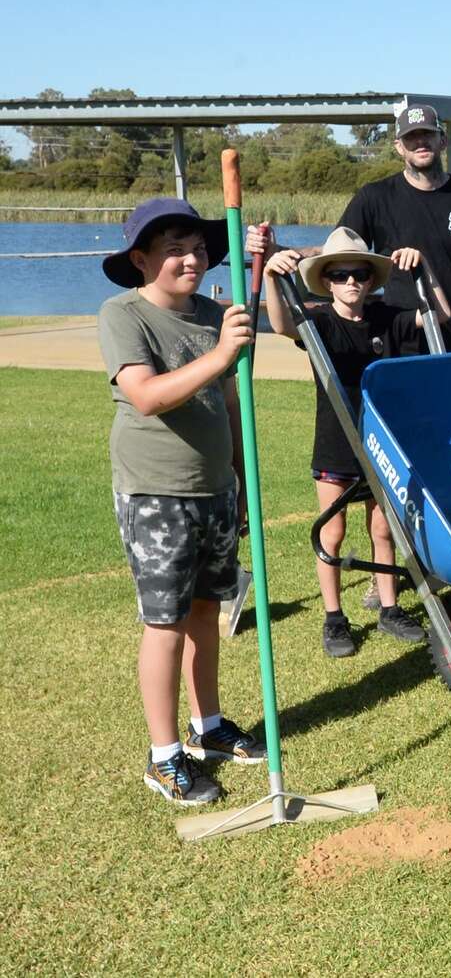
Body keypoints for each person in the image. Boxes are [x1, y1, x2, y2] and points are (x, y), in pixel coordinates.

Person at [96, 198, 266, 805]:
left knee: (205, 614)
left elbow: (227, 404)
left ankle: (209, 728)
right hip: (155, 493)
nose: (190, 258)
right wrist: (222, 352)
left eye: (197, 247)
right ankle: (164, 756)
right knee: (165, 623)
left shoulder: (215, 314)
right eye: (174, 249)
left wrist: (239, 478)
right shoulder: (123, 314)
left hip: (214, 489)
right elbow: (144, 396)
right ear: (141, 259)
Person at [252, 226, 435, 657]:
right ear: (327, 281)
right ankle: (334, 617)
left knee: (384, 529)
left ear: (371, 279)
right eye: (339, 275)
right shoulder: (318, 322)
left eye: (359, 274)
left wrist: (426, 269)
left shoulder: (387, 317)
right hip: (336, 441)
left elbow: (438, 315)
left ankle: (389, 608)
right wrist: (276, 280)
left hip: (381, 440)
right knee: (332, 533)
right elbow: (280, 325)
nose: (350, 282)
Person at [338, 101, 451, 354]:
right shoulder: (374, 197)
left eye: (427, 134)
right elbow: (337, 251)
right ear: (399, 147)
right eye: (411, 137)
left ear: (442, 140)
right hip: (401, 345)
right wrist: (281, 251)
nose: (420, 142)